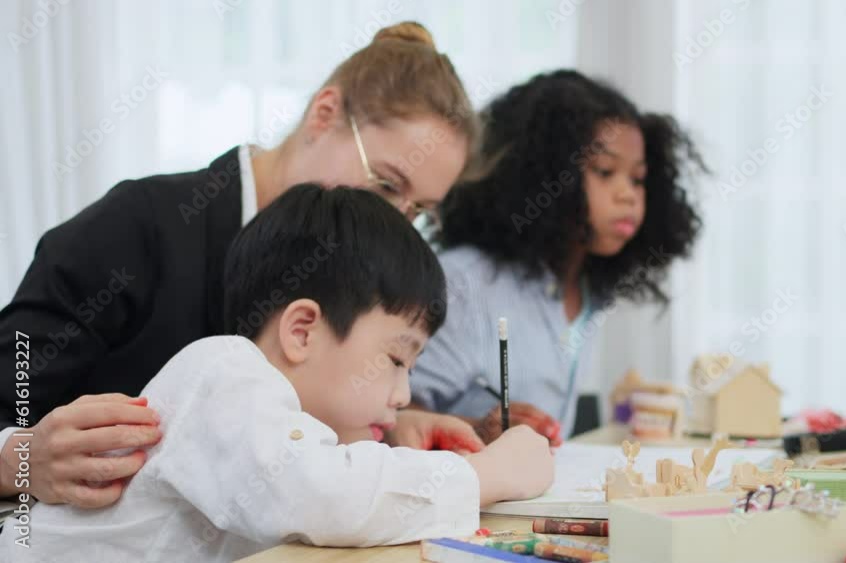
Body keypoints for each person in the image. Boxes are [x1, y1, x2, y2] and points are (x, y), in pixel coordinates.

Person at [0, 21, 482, 509]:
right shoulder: (136, 228)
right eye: (387, 185)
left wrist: (383, 425)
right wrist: (19, 459)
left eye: (419, 212)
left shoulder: (359, 275)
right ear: (325, 114)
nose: (397, 219)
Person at [0, 185, 555, 562]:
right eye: (395, 360)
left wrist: (405, 445)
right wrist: (485, 476)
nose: (403, 393)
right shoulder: (224, 373)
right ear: (302, 331)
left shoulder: (269, 412)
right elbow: (323, 496)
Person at [410, 70, 702, 443]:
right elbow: (391, 419)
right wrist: (477, 429)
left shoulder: (589, 289)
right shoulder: (462, 285)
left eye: (638, 178)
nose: (628, 195)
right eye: (605, 171)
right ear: (544, 176)